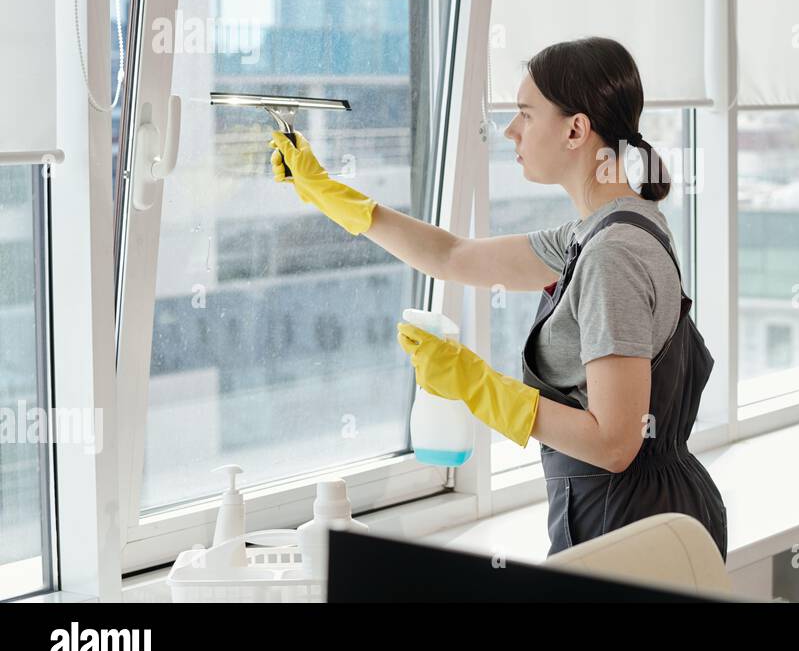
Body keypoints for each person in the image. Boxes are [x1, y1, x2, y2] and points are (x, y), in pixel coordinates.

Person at [266, 36, 727, 560]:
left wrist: (476, 384)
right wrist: (330, 193)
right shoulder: (609, 228)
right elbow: (453, 256)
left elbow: (614, 444)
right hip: (655, 517)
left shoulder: (610, 255)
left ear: (576, 129)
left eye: (526, 115)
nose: (511, 130)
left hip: (628, 531)